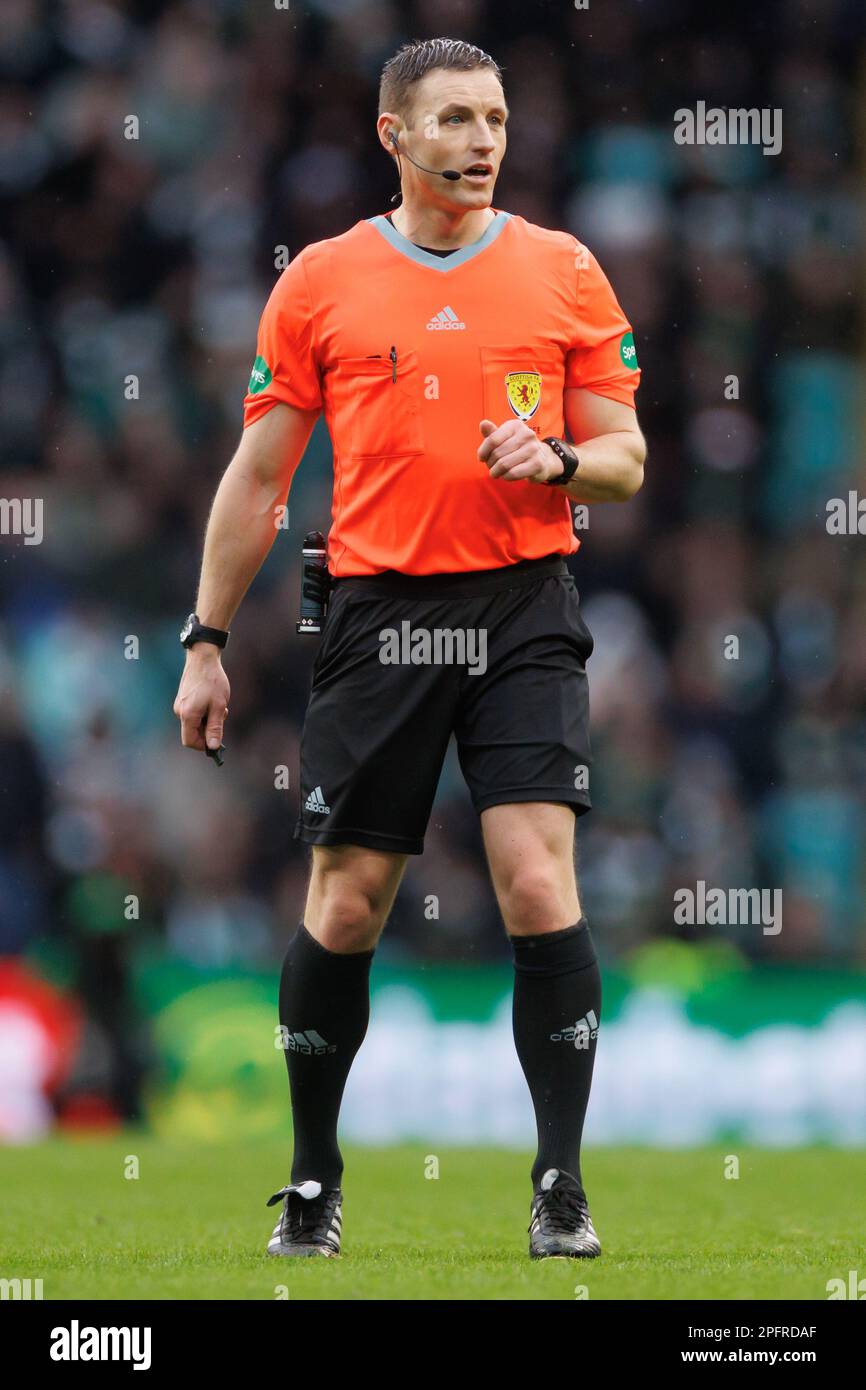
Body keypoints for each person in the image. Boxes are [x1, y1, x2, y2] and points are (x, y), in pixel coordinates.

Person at [172, 35, 645, 1262]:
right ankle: (314, 1181)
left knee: (538, 881)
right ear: (393, 136)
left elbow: (627, 456)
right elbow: (260, 473)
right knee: (347, 903)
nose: (482, 141)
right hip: (379, 616)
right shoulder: (321, 282)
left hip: (524, 607)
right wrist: (205, 639)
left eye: (494, 118)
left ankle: (558, 1185)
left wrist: (558, 461)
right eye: (452, 120)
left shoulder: (563, 270)